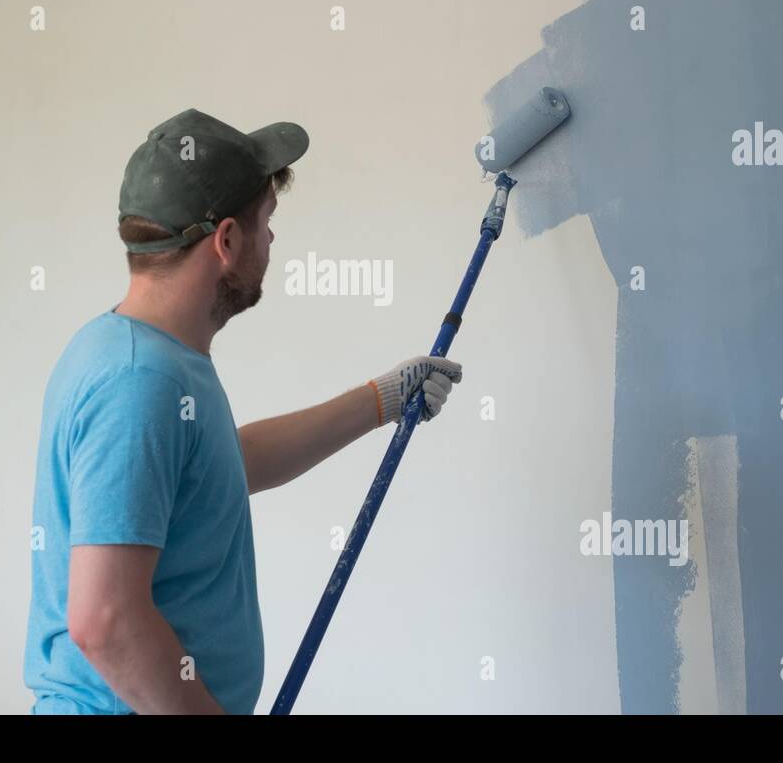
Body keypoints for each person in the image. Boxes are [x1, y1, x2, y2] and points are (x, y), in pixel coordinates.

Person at [23, 108, 462, 714]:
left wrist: (383, 398)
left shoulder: (143, 354)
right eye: (266, 222)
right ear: (226, 241)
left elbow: (223, 464)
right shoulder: (138, 383)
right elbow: (104, 620)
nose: (274, 240)